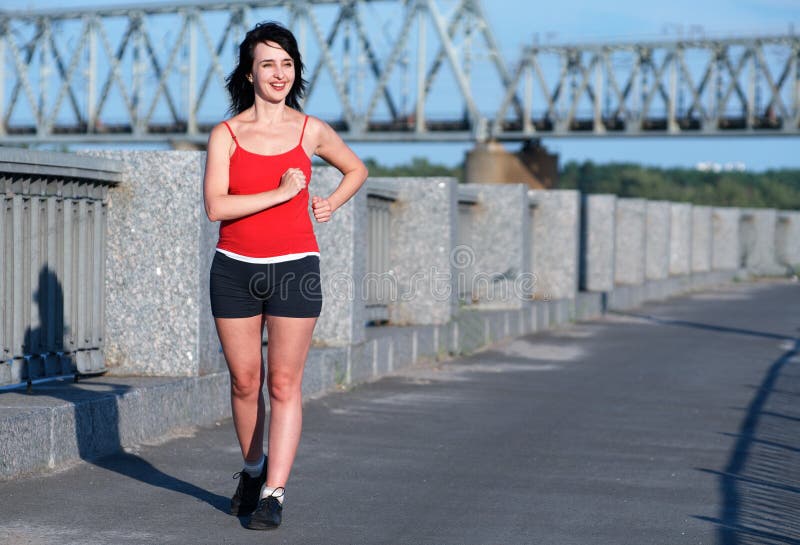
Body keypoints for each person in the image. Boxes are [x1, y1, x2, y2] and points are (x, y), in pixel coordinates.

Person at [203, 21, 368, 531]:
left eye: (287, 63)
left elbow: (356, 169)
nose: (278, 73)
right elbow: (215, 206)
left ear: (295, 71)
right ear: (250, 73)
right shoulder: (226, 135)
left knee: (284, 383)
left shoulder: (310, 130)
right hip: (234, 270)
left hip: (296, 269)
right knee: (245, 380)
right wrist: (280, 193)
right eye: (267, 63)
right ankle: (252, 471)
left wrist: (330, 203)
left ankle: (274, 492)